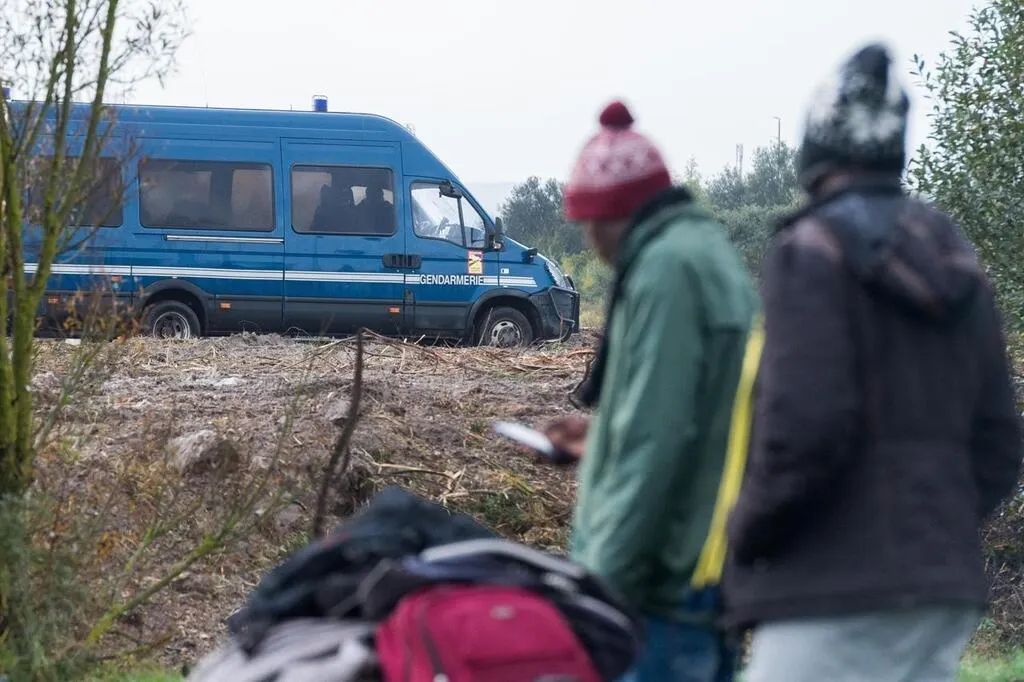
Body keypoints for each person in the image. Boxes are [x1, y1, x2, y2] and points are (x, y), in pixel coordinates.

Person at [723, 42, 1023, 682]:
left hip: (830, 585)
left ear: (815, 144)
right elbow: (1001, 443)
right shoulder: (954, 254)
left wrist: (744, 533)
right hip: (940, 587)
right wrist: (933, 523)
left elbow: (804, 430)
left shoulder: (809, 251)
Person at [543, 100, 760, 682]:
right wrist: (601, 434)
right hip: (702, 567)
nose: (589, 240)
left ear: (614, 217)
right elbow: (691, 408)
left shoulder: (667, 271)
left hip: (662, 585)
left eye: (589, 222)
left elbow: (654, 441)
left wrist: (599, 584)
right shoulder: (704, 252)